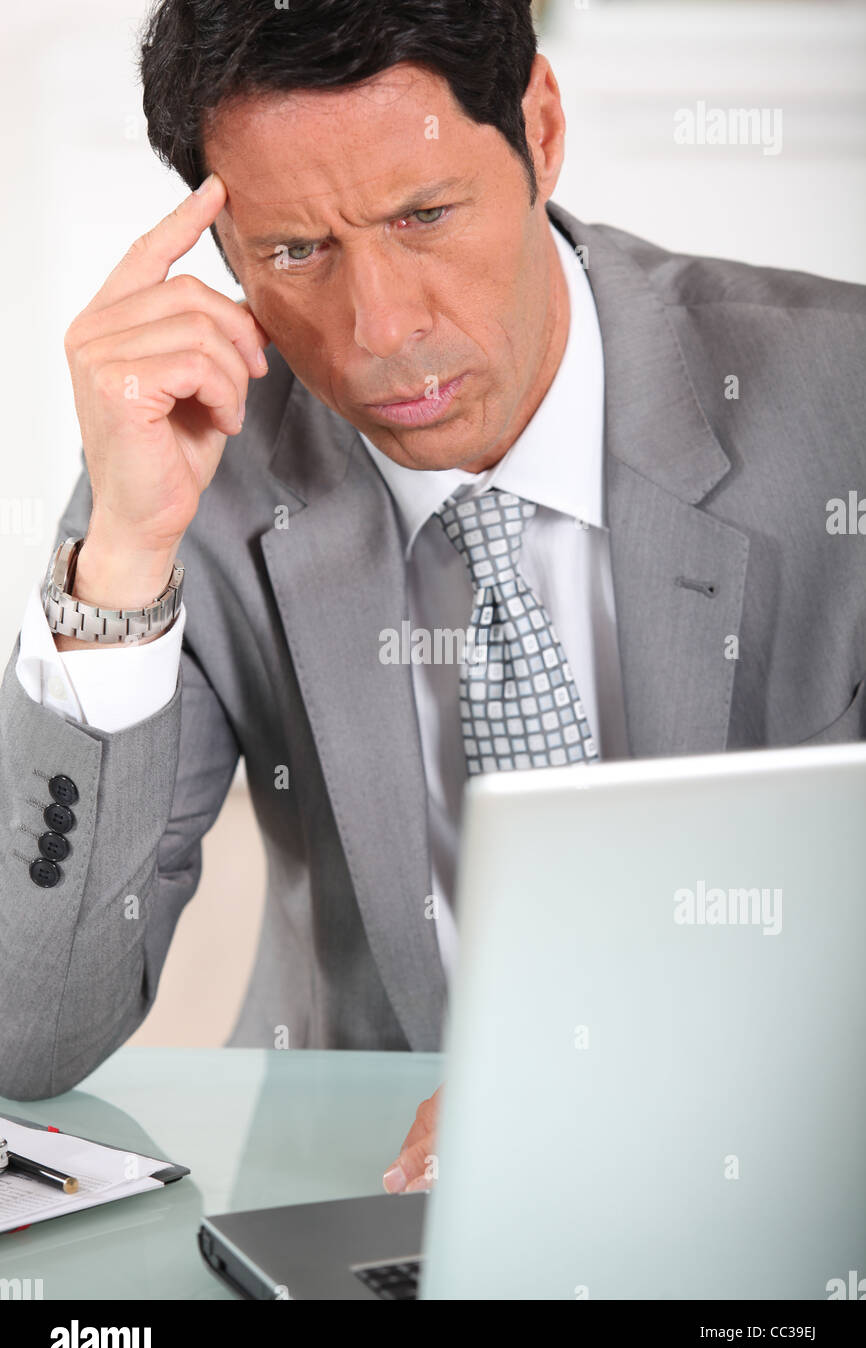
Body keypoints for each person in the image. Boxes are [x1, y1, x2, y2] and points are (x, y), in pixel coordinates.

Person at [1, 1, 864, 1201]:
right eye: (295, 250)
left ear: (540, 129)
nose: (382, 333)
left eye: (425, 215)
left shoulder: (843, 403)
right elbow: (29, 1034)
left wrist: (631, 1063)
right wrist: (125, 559)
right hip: (358, 1202)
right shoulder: (189, 469)